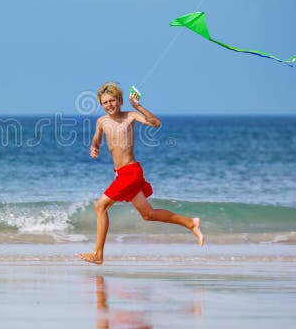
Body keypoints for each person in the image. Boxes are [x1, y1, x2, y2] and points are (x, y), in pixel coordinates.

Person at [76, 82, 203, 265]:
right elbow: (97, 138)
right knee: (148, 214)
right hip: (120, 174)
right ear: (101, 104)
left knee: (100, 206)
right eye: (105, 102)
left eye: (112, 100)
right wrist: (94, 146)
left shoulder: (130, 116)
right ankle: (191, 223)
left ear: (120, 101)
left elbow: (156, 123)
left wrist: (137, 106)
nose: (109, 104)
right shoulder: (101, 122)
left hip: (131, 172)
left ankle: (98, 253)